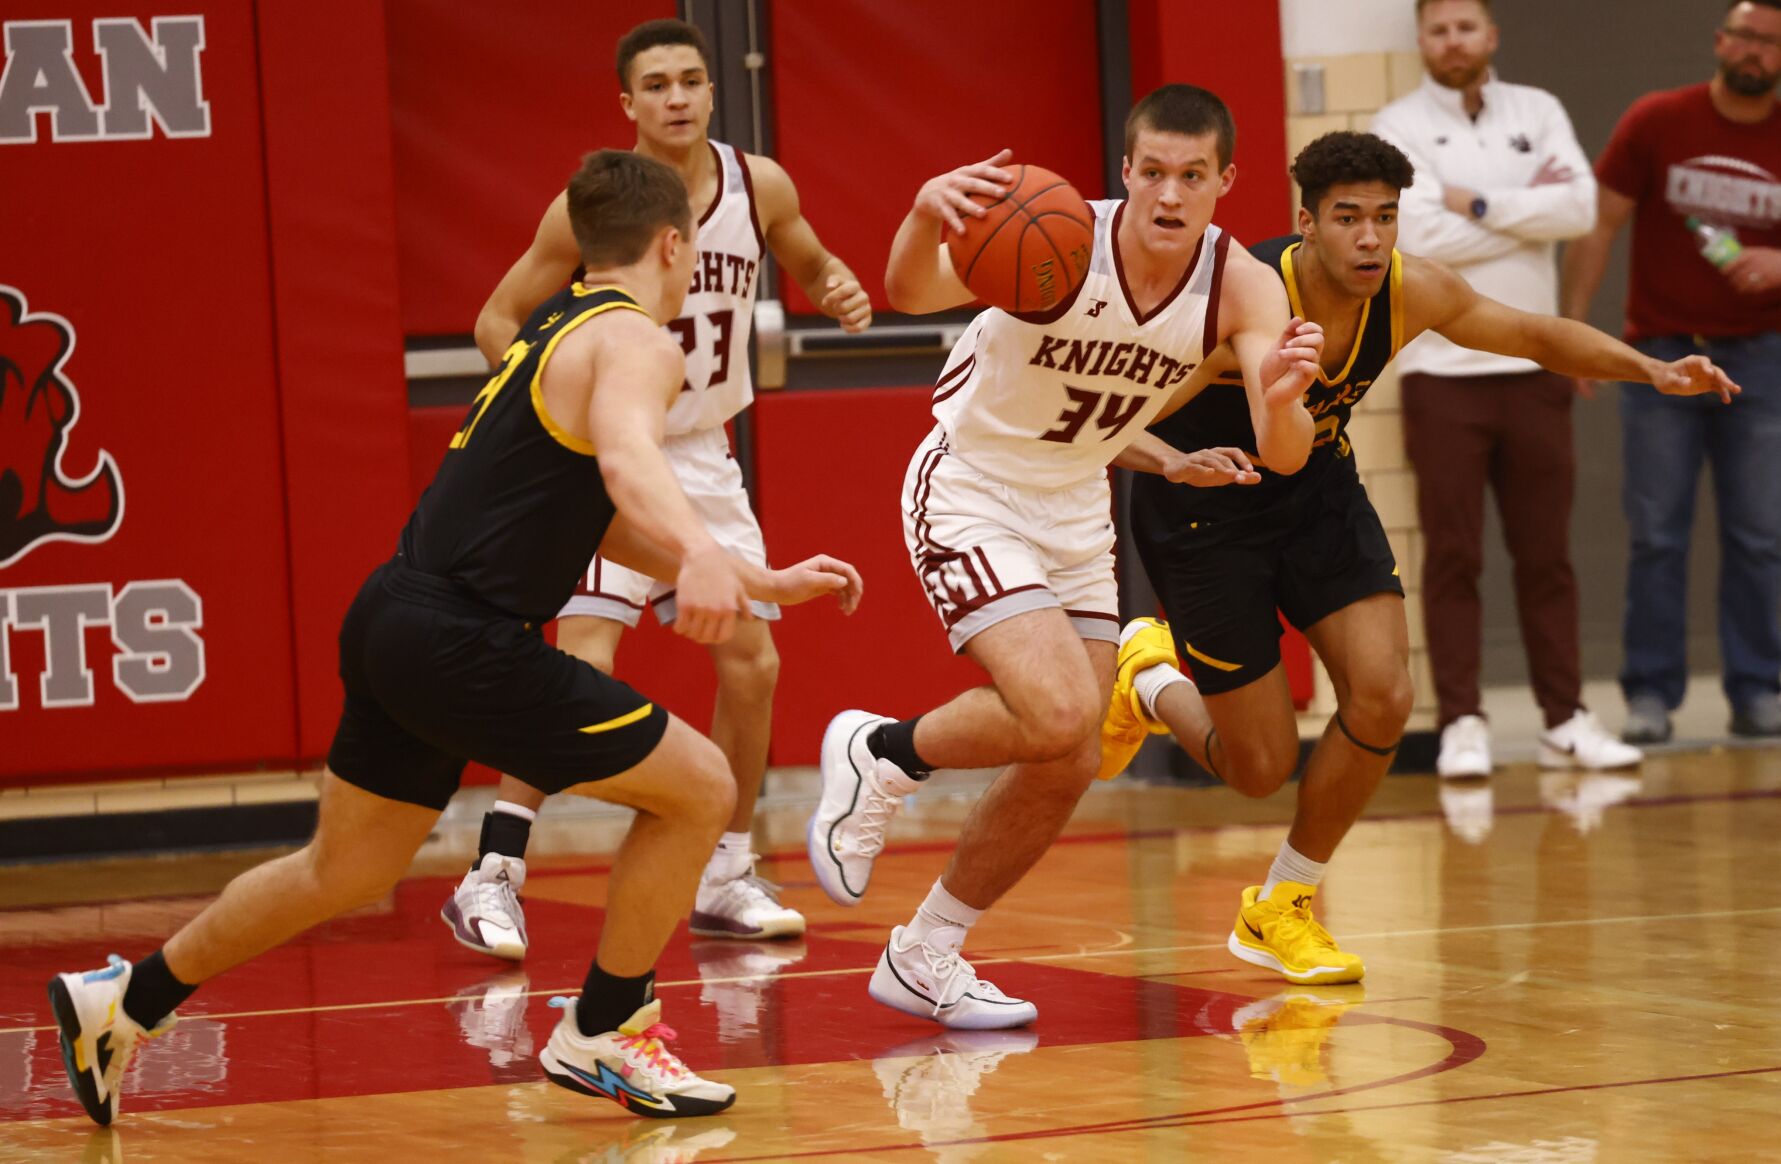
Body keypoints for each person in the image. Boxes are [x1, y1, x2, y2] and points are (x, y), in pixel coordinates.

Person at [47, 150, 864, 1127]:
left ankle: (123, 1003)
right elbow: (631, 460)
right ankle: (605, 1029)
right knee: (698, 789)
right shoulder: (637, 341)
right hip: (465, 638)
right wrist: (695, 548)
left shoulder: (549, 324)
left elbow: (586, 512)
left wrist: (747, 574)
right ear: (674, 242)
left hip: (393, 617)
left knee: (340, 871)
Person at [1105, 131, 1735, 986]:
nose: (1369, 238)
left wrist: (1650, 372)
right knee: (1257, 769)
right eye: (1347, 219)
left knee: (1385, 692)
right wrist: (1168, 461)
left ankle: (1282, 906)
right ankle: (1146, 677)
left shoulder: (1410, 291)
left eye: (1384, 218)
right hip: (1203, 513)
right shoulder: (1240, 300)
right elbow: (1116, 412)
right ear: (1306, 223)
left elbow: (1534, 335)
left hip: (1314, 494)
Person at [806, 84, 1328, 1029]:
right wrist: (927, 213)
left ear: (1225, 181)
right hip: (972, 484)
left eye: (1193, 176)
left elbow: (1282, 452)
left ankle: (925, 951)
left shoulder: (1242, 285)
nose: (1170, 195)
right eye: (1154, 173)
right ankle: (880, 750)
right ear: (1125, 171)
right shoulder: (1053, 233)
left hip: (1077, 506)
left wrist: (1284, 394)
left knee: (1072, 750)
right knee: (1054, 709)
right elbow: (910, 291)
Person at [447, 17, 872, 959]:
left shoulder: (759, 184)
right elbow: (497, 318)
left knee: (753, 666)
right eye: (658, 84)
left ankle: (724, 873)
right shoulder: (593, 204)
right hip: (611, 447)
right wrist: (547, 408)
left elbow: (808, 260)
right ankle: (494, 870)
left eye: (691, 80)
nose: (677, 97)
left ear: (712, 92)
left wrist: (838, 284)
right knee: (585, 658)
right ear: (627, 104)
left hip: (703, 451)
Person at [1370, 0, 1640, 776]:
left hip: (1534, 369)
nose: (1452, 40)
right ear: (1420, 41)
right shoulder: (1398, 125)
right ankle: (1461, 722)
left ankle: (1565, 719)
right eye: (1437, 29)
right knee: (1452, 555)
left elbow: (1578, 209)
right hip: (1439, 375)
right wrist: (1525, 213)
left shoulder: (1539, 109)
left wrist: (1475, 202)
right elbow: (1414, 235)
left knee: (1544, 553)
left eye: (1465, 27)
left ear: (1491, 35)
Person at [1562, 0, 1781, 744]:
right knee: (1656, 531)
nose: (1755, 52)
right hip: (1662, 356)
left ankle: (1757, 688)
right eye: (1745, 36)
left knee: (1759, 533)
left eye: (1770, 43)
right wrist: (1571, 334)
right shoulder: (1657, 120)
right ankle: (1650, 693)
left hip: (1761, 358)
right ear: (1720, 42)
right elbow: (1598, 223)